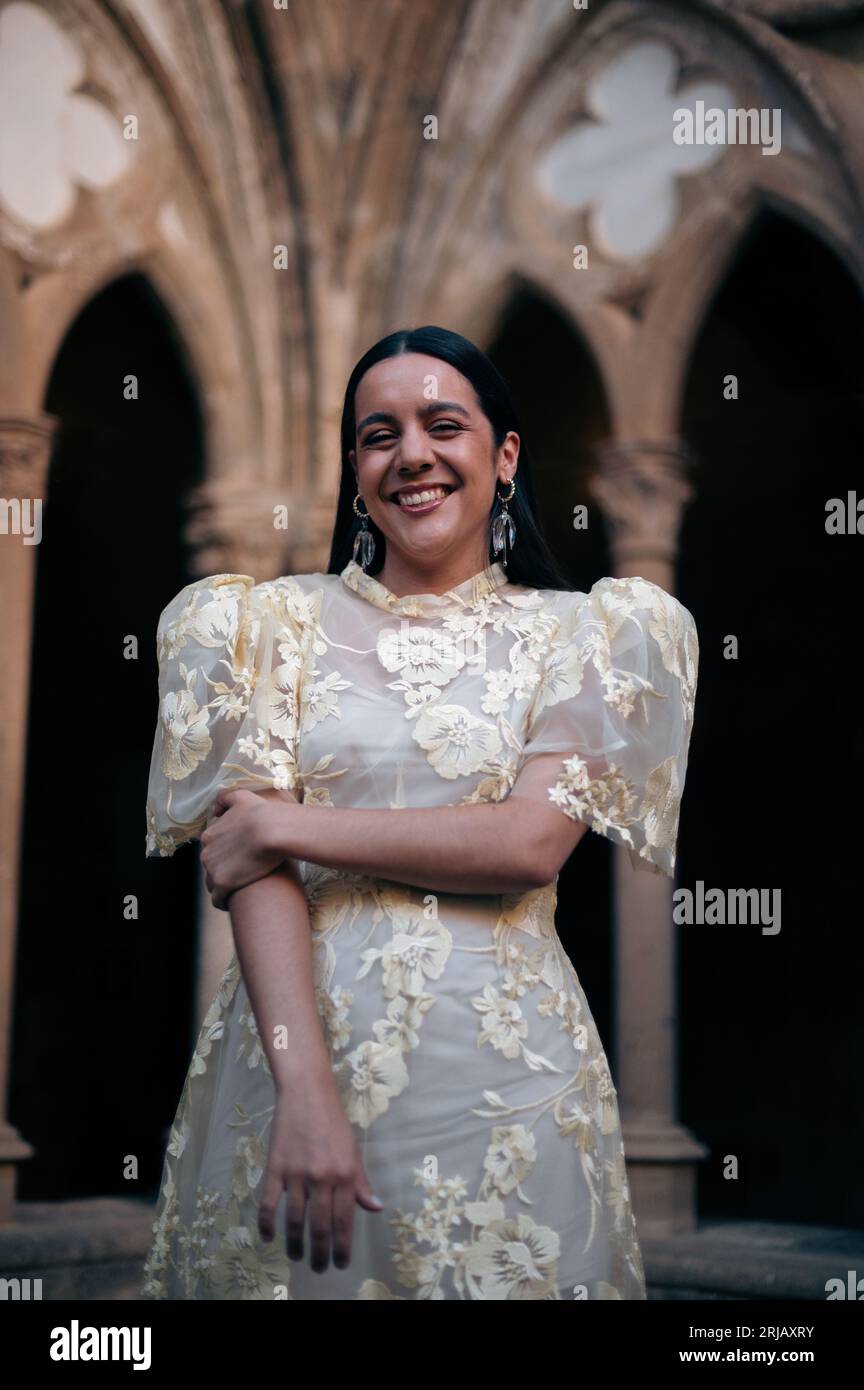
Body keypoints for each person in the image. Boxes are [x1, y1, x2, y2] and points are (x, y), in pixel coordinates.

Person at [140, 325, 698, 1301]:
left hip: (507, 1087)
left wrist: (286, 822)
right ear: (355, 469)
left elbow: (528, 843)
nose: (412, 455)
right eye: (377, 434)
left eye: (444, 424)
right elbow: (247, 871)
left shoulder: (588, 633)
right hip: (287, 1060)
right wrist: (303, 1092)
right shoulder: (261, 626)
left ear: (505, 454)